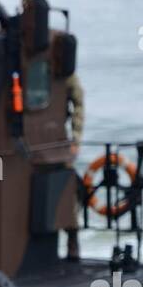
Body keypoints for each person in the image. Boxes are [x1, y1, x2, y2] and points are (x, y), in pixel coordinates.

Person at [64, 73, 85, 261]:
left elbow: (78, 99)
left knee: (67, 188)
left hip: (56, 140)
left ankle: (73, 240)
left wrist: (75, 137)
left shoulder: (65, 72)